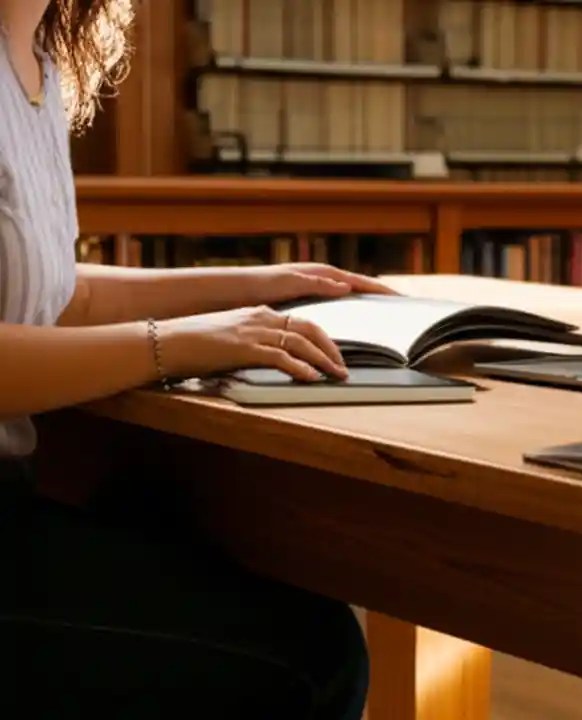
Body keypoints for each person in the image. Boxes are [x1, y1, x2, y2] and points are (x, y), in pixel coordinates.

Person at [1, 0, 380, 716]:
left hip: (19, 493)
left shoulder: (39, 68)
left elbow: (58, 295)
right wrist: (176, 344)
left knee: (239, 561)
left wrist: (256, 286)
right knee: (310, 656)